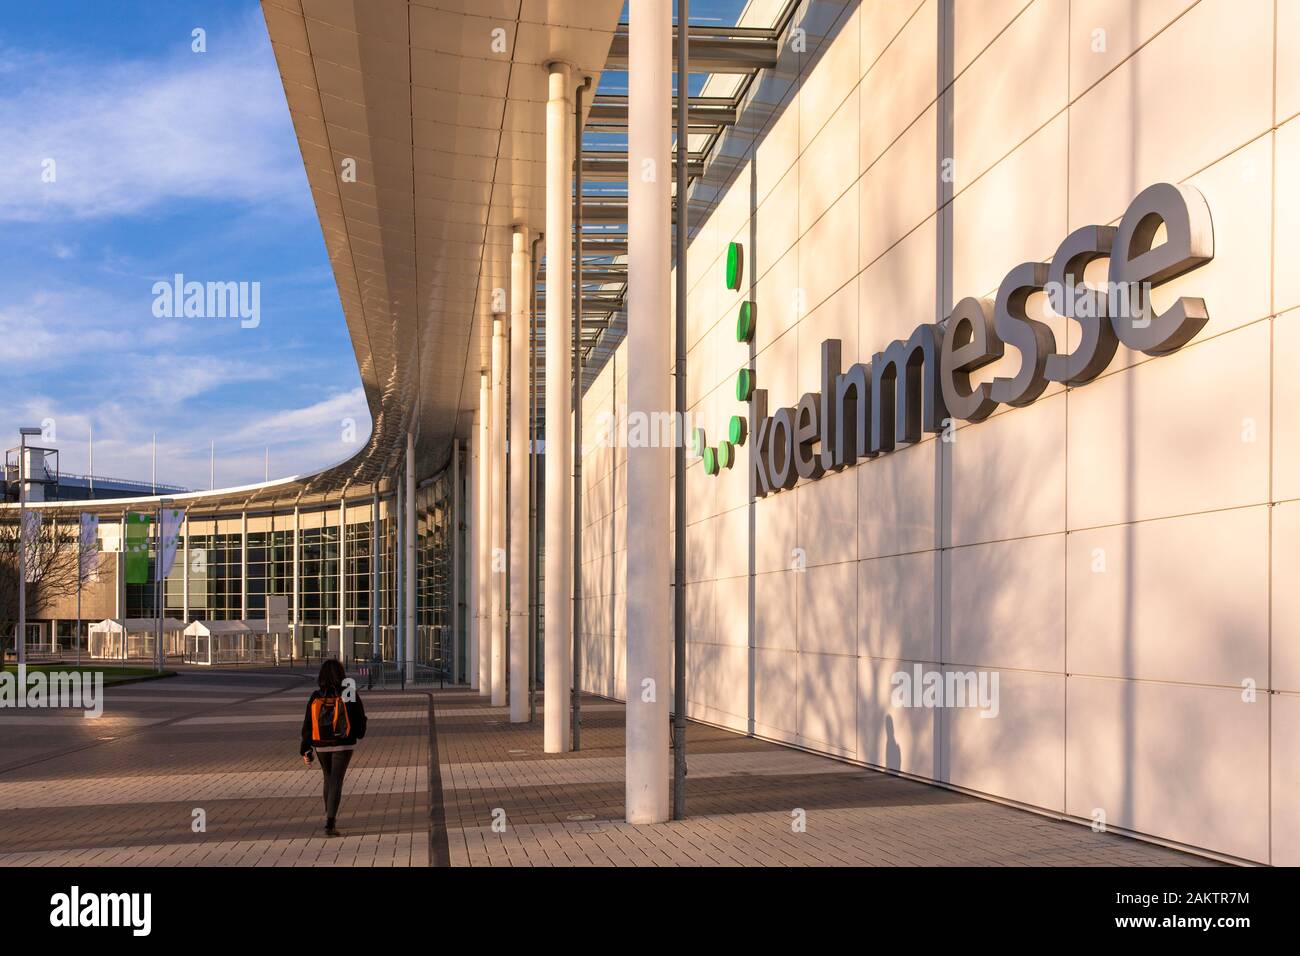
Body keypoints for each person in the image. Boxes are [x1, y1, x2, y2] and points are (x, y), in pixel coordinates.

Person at [299, 658, 367, 837]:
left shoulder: (316, 695)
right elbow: (358, 716)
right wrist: (359, 733)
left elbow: (308, 724)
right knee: (336, 780)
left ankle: (329, 815)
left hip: (321, 744)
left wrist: (305, 748)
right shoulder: (348, 692)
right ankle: (330, 822)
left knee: (328, 778)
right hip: (343, 743)